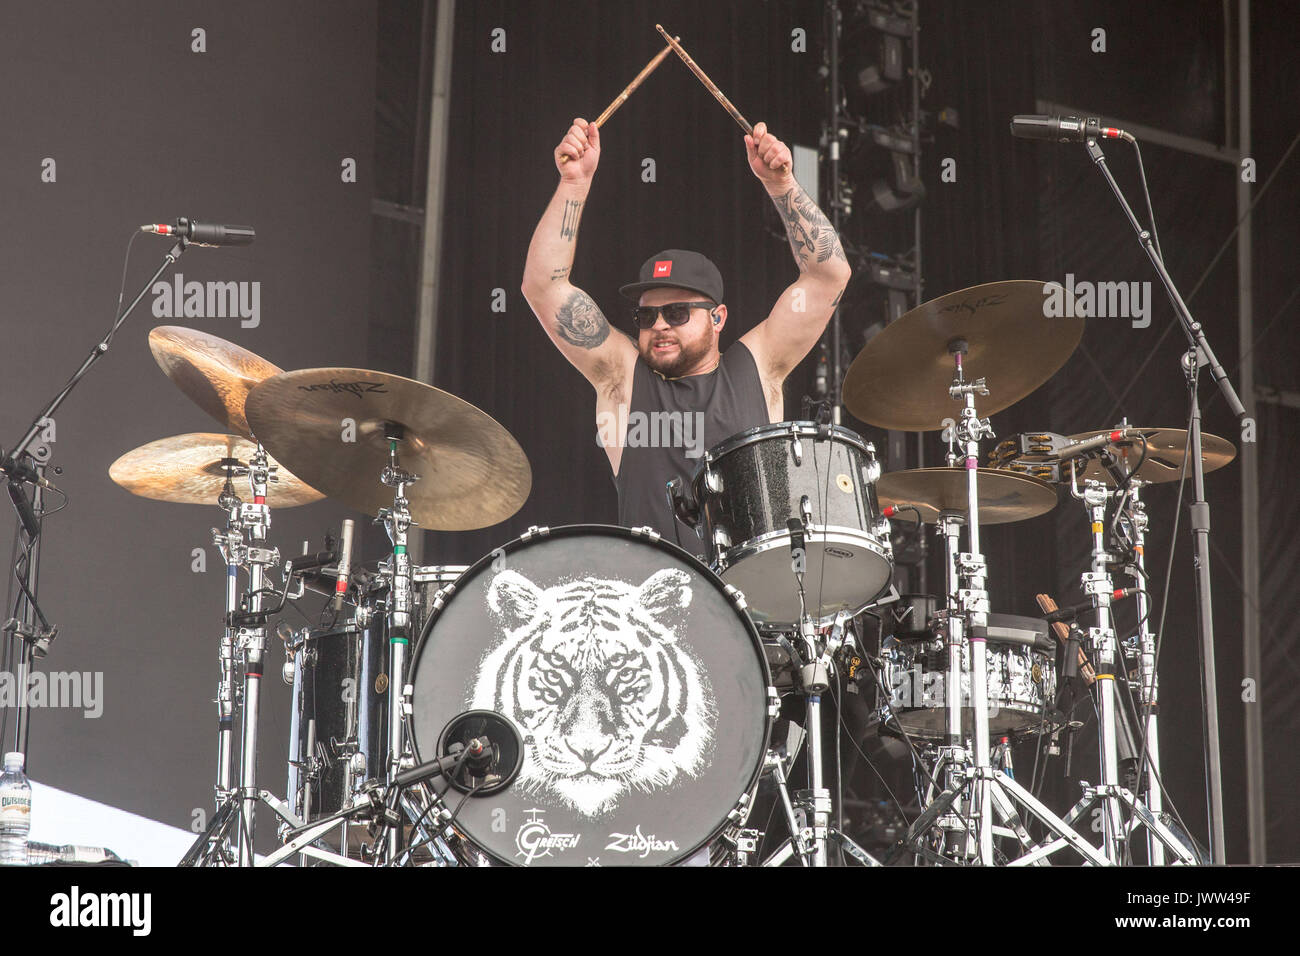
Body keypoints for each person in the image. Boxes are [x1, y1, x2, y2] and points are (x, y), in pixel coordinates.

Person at [521, 116, 851, 547]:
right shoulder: (623, 377)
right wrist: (574, 182)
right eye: (645, 316)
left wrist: (781, 185)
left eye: (677, 313)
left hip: (749, 607)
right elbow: (542, 286)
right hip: (651, 601)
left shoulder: (757, 366)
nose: (658, 324)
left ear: (717, 318)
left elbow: (829, 275)